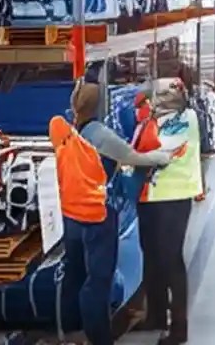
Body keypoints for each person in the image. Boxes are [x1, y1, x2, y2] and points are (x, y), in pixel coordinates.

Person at [50, 82, 171, 345]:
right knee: (98, 280)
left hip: (71, 214)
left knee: (74, 272)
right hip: (97, 215)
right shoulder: (100, 135)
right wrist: (161, 157)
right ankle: (99, 337)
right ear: (99, 104)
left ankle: (71, 331)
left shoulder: (66, 133)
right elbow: (132, 157)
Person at [136, 78, 204, 345]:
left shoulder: (184, 120)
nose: (157, 100)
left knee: (171, 259)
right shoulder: (153, 119)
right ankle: (155, 314)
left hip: (174, 197)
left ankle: (179, 327)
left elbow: (155, 151)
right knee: (151, 255)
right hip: (149, 196)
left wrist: (125, 154)